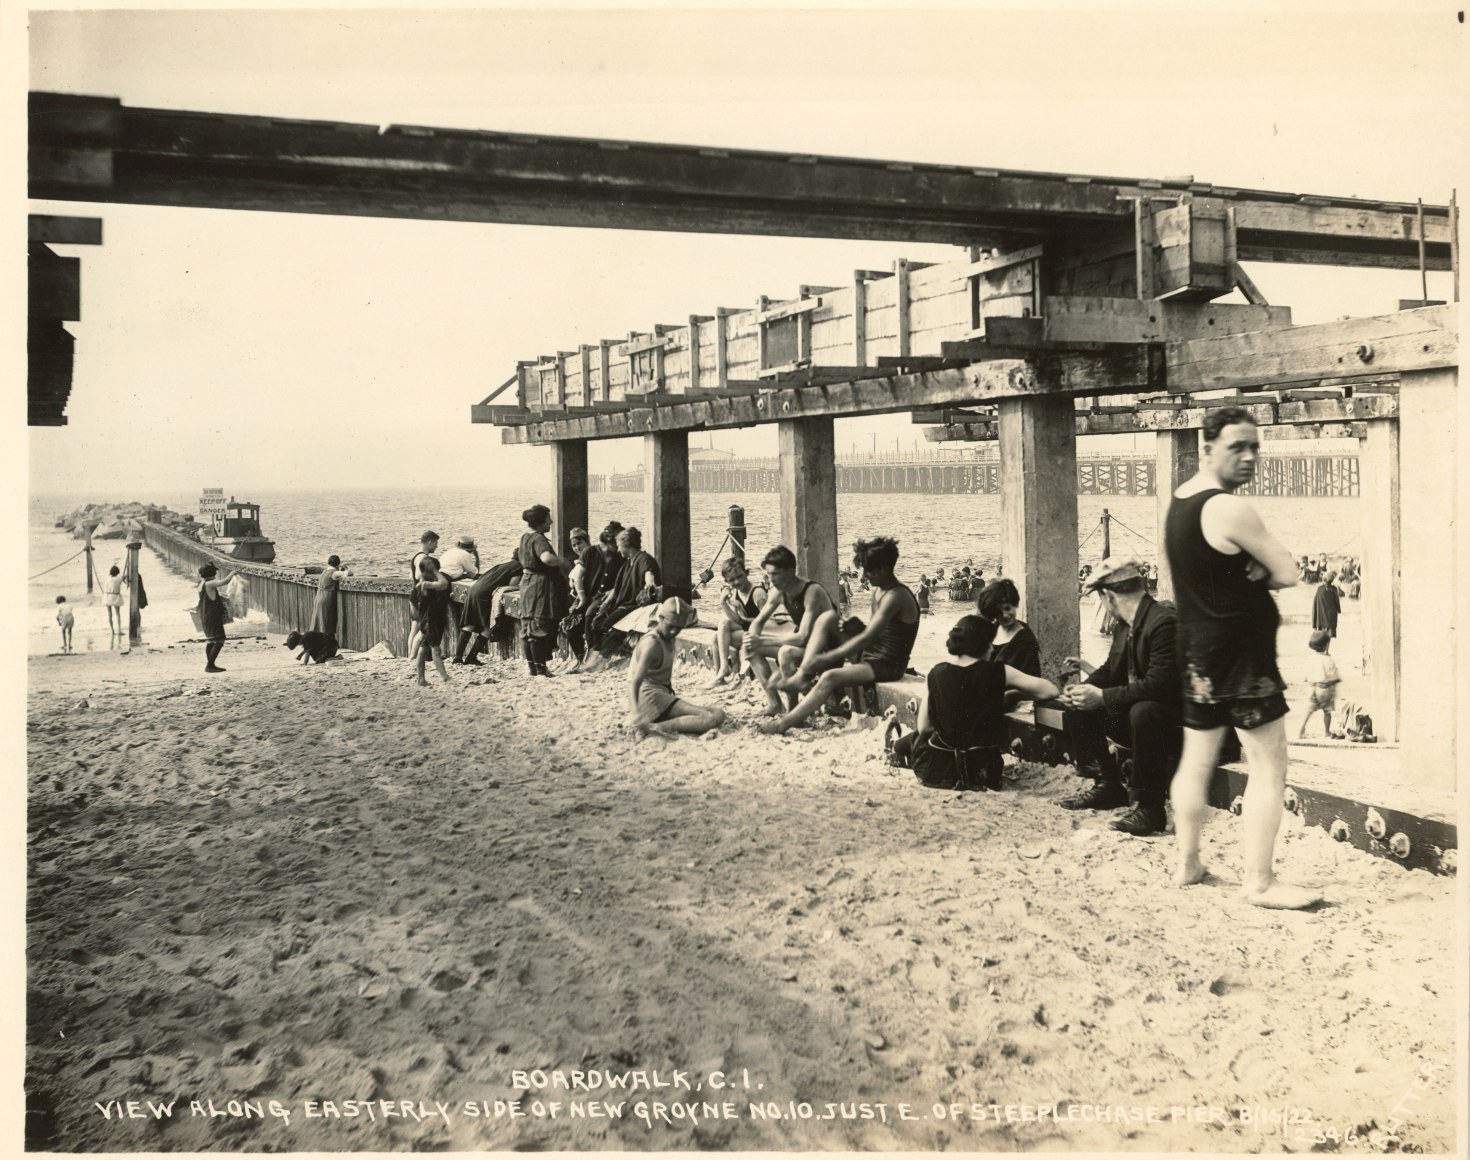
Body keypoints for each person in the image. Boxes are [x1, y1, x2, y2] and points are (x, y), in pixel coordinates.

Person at [1164, 405, 1319, 909]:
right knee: (1269, 765)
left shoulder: (1180, 502)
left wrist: (1248, 565)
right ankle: (1259, 882)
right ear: (1208, 448)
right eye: (1238, 447)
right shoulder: (1229, 508)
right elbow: (1290, 571)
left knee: (1196, 761)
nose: (1250, 457)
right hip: (1242, 656)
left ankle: (1188, 863)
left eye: (1256, 447)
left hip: (1198, 653)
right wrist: (1259, 567)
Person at [1057, 557, 1183, 836]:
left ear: (1107, 595)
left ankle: (1151, 809)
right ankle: (1108, 785)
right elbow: (1110, 672)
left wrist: (1102, 697)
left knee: (1144, 710)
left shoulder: (1164, 623)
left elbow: (1161, 686)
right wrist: (1084, 691)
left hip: (1184, 727)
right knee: (1082, 703)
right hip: (1148, 723)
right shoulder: (1126, 624)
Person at [759, 536, 920, 735]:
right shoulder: (879, 590)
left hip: (888, 664)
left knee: (830, 676)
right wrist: (851, 627)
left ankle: (783, 724)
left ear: (885, 568)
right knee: (828, 617)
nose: (865, 576)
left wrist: (827, 657)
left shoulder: (896, 596)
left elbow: (867, 638)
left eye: (869, 571)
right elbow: (876, 633)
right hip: (871, 653)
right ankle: (802, 675)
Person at [892, 615, 1059, 791]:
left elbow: (924, 728)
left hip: (935, 772)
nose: (992, 649)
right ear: (985, 645)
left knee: (909, 742)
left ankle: (899, 751)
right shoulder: (1000, 671)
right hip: (983, 773)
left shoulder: (935, 673)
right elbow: (1050, 690)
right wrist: (1014, 694)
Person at [744, 544, 840, 715]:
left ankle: (794, 710)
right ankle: (775, 704)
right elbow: (758, 622)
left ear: (790, 571)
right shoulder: (779, 592)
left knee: (785, 652)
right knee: (751, 648)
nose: (771, 580)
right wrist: (752, 639)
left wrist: (763, 640)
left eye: (775, 574)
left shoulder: (812, 591)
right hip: (806, 649)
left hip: (829, 649)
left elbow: (802, 637)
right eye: (768, 575)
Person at [627, 597, 727, 735]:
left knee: (718, 713)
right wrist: (635, 713)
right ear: (660, 618)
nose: (674, 631)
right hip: (650, 699)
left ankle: (656, 725)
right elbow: (634, 680)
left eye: (679, 627)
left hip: (661, 694)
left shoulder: (666, 635)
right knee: (708, 719)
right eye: (671, 626)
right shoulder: (652, 643)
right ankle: (653, 728)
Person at [583, 527, 660, 670]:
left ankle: (600, 660)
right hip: (622, 603)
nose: (618, 551)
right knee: (595, 622)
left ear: (627, 545)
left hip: (633, 605)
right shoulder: (627, 562)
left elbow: (648, 573)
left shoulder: (644, 559)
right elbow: (617, 588)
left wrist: (650, 583)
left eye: (619, 547)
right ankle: (595, 656)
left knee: (607, 626)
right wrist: (605, 604)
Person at [515, 504, 570, 678]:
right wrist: (562, 561)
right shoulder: (539, 539)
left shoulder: (525, 537)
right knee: (539, 625)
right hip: (540, 585)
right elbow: (546, 558)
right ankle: (541, 669)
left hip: (527, 583)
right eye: (548, 518)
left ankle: (533, 668)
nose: (551, 521)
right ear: (540, 521)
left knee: (528, 626)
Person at [455, 553, 523, 666]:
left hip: (475, 589)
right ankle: (471, 657)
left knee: (470, 623)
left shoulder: (504, 565)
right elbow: (511, 586)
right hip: (484, 595)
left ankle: (457, 658)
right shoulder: (519, 567)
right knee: (487, 627)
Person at [713, 555, 765, 684]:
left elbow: (768, 621)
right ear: (727, 581)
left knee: (721, 632)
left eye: (740, 577)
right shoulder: (737, 593)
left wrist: (745, 618)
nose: (737, 582)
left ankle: (724, 669)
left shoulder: (758, 593)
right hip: (746, 630)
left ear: (747, 573)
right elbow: (737, 621)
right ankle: (720, 673)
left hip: (760, 633)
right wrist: (724, 603)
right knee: (718, 634)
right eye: (732, 580)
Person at [976, 578, 1041, 677]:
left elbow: (1029, 680)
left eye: (1007, 608)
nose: (1005, 615)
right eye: (998, 612)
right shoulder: (991, 630)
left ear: (1016, 604)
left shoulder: (1025, 641)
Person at [559, 527, 600, 672]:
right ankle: (580, 659)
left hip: (589, 598)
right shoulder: (582, 559)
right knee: (570, 627)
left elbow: (577, 578)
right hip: (582, 598)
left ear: (587, 541)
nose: (577, 548)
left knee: (574, 627)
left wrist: (581, 596)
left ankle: (584, 660)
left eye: (579, 543)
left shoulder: (591, 555)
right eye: (574, 545)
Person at [412, 555, 452, 686]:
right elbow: (444, 583)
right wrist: (435, 571)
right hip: (430, 621)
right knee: (435, 649)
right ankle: (446, 678)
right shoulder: (425, 585)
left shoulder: (420, 584)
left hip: (426, 620)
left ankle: (421, 679)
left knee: (423, 649)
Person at [1298, 629, 1341, 739]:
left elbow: (1305, 676)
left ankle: (1301, 730)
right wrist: (1336, 683)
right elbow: (1333, 676)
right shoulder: (1328, 659)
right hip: (1324, 689)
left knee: (1308, 711)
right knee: (1327, 712)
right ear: (1327, 645)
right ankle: (1327, 732)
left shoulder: (1310, 659)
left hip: (1312, 688)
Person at [196, 563, 239, 673]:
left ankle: (211, 664)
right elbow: (225, 581)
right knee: (219, 640)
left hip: (205, 615)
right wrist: (233, 573)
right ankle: (210, 665)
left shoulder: (202, 584)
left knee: (211, 640)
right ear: (212, 574)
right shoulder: (210, 584)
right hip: (212, 617)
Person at [406, 530, 440, 661]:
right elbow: (418, 576)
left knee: (415, 627)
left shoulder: (416, 556)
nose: (436, 546)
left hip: (414, 594)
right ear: (430, 542)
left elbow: (411, 576)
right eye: (436, 543)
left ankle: (410, 655)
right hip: (421, 596)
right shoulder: (423, 558)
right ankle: (414, 656)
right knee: (423, 627)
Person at [308, 555, 350, 637]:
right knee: (327, 620)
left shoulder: (325, 571)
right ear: (338, 563)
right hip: (327, 598)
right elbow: (349, 573)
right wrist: (345, 568)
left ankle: (316, 638)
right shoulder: (334, 573)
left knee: (319, 619)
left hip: (319, 596)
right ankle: (327, 640)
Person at [1312, 571, 1341, 645]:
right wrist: (1339, 609)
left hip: (1321, 615)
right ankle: (1326, 650)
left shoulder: (1319, 589)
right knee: (1329, 633)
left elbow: (1315, 602)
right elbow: (1337, 601)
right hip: (1331, 615)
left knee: (1322, 631)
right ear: (1332, 580)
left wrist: (1315, 614)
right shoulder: (1334, 589)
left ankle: (1321, 647)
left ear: (1323, 579)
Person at [102, 565, 125, 636]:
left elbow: (107, 576)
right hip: (115, 597)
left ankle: (112, 631)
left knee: (110, 614)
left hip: (107, 596)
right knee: (117, 614)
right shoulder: (118, 579)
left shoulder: (106, 578)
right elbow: (123, 578)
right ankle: (119, 630)